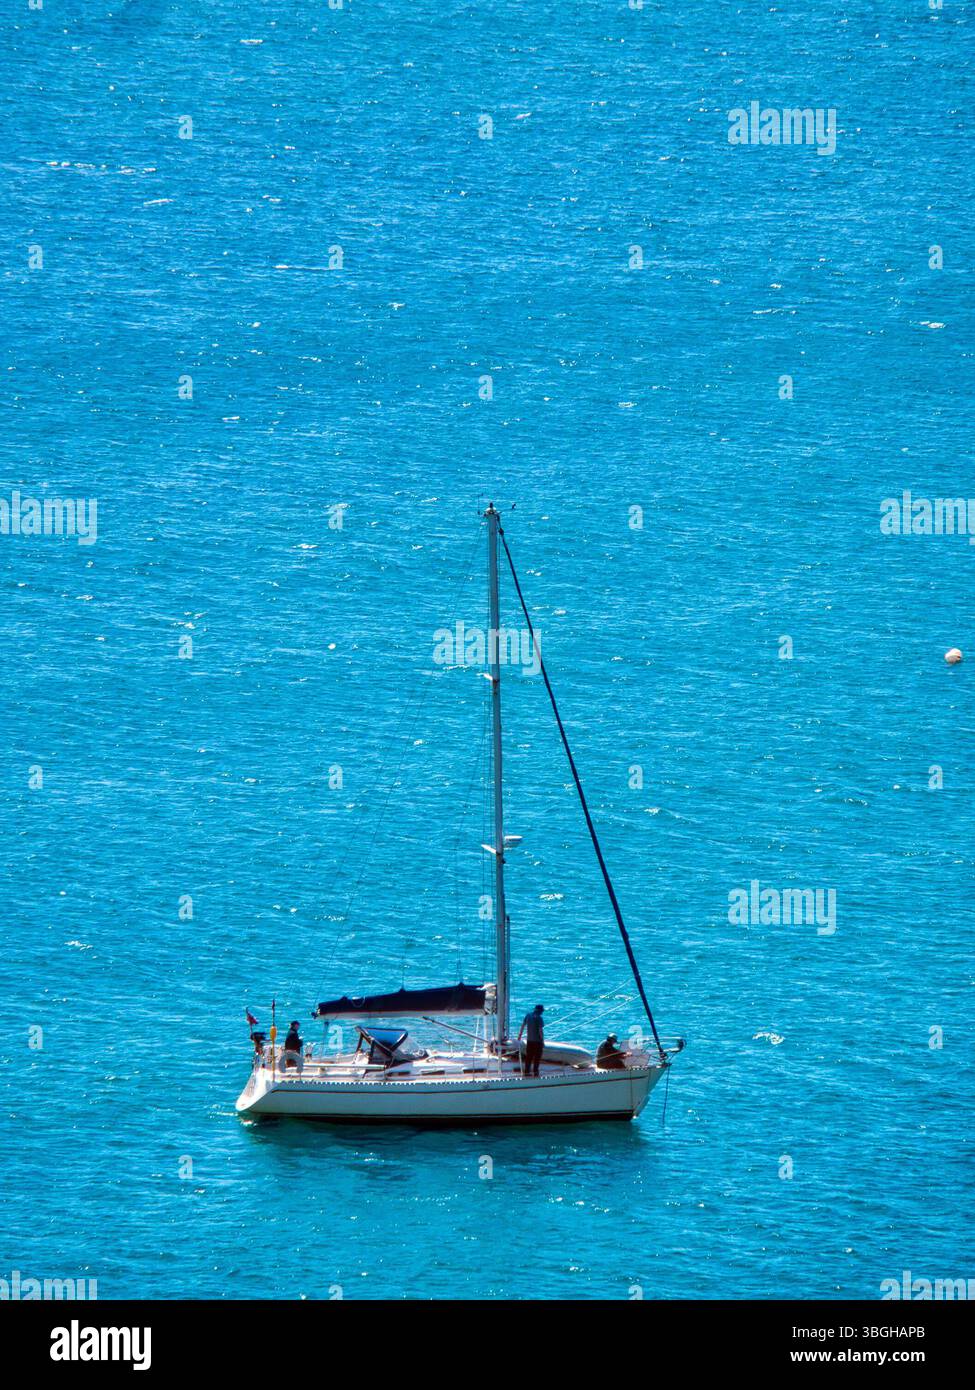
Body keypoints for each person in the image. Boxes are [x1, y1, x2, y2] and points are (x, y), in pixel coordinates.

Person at [518, 1004, 545, 1078]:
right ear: (540, 1011)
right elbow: (540, 1030)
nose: (542, 1012)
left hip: (529, 1040)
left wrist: (520, 1035)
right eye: (542, 1011)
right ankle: (535, 1072)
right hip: (537, 1041)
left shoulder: (528, 1015)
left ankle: (526, 1072)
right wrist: (542, 1041)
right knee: (537, 1057)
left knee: (529, 1057)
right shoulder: (539, 1018)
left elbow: (523, 1025)